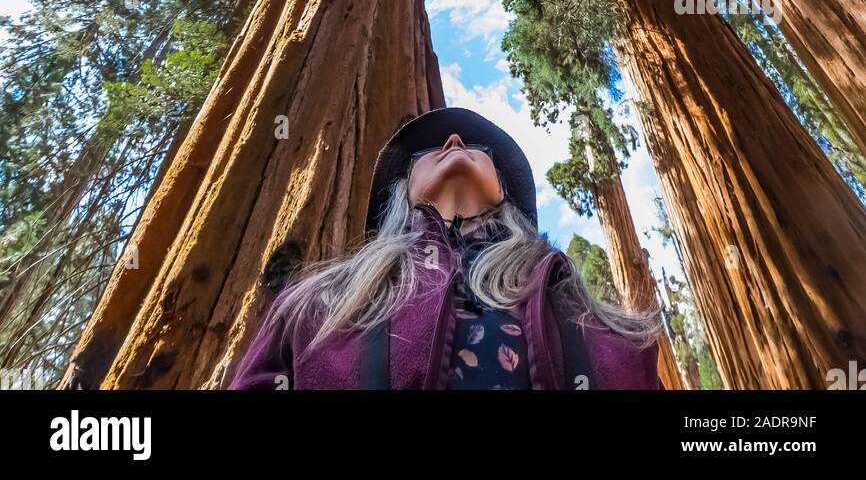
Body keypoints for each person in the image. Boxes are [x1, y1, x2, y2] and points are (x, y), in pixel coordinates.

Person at [229, 107, 663, 391]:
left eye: (476, 146)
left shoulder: (595, 321)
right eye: (429, 148)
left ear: (503, 188)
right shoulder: (317, 306)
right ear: (402, 190)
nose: (454, 140)